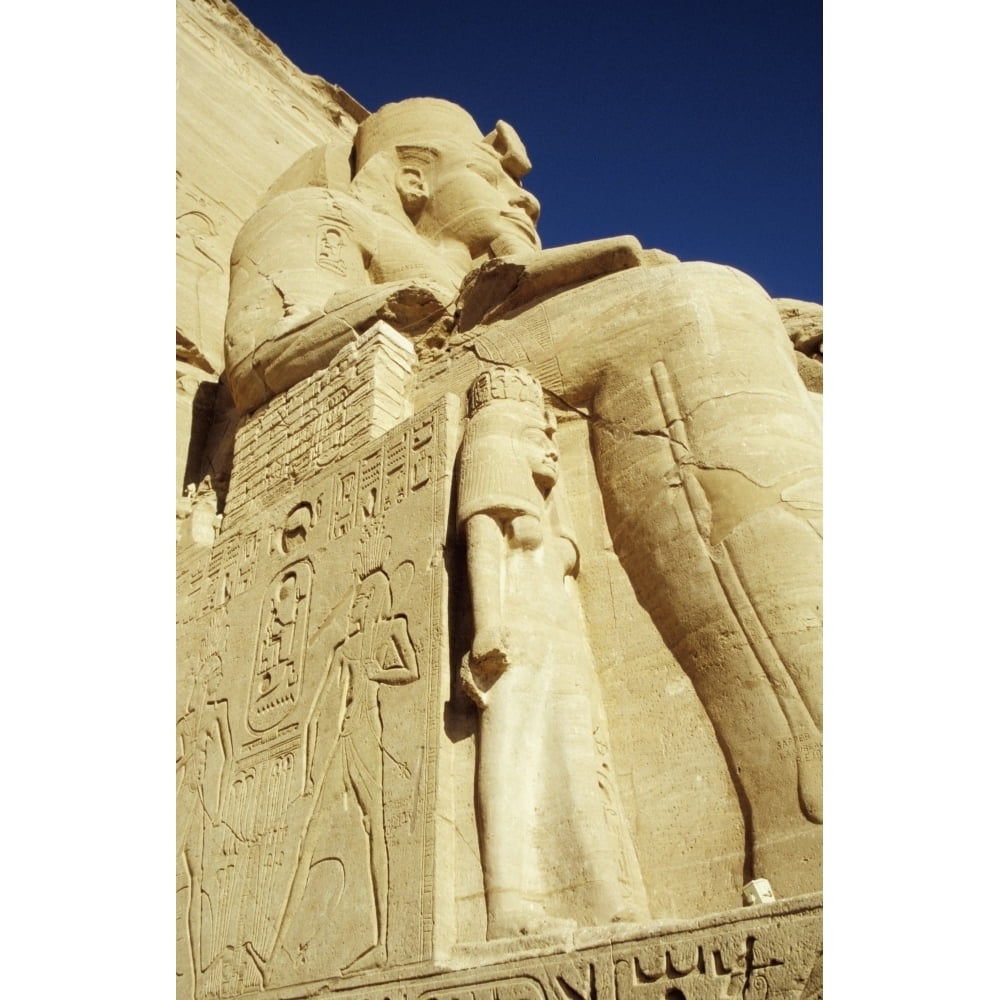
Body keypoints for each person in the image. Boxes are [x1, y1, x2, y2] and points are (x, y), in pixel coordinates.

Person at [223, 97, 822, 897]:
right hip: (402, 398)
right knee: (694, 304)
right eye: (491, 175)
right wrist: (412, 306)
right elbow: (260, 360)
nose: (526, 200)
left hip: (482, 361)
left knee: (784, 350)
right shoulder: (320, 214)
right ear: (411, 175)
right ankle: (807, 790)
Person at [458, 365, 648, 939]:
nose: (551, 449)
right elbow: (483, 542)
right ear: (502, 444)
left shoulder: (545, 505)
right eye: (535, 438)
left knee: (579, 758)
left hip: (560, 636)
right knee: (510, 754)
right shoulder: (496, 492)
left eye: (551, 438)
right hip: (512, 633)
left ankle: (600, 890)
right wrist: (486, 624)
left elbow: (565, 558)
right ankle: (507, 903)